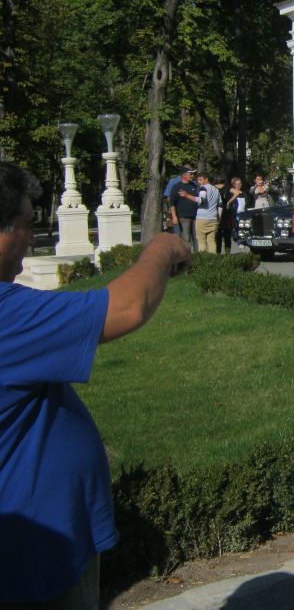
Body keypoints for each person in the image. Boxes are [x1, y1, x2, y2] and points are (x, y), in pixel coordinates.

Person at [0, 161, 191, 608]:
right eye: (28, 225)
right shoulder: (8, 316)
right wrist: (162, 246)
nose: (32, 238)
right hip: (32, 567)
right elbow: (128, 306)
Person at [168, 166, 199, 250]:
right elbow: (172, 203)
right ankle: (187, 258)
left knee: (197, 238)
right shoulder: (176, 187)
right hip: (184, 216)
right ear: (184, 175)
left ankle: (199, 257)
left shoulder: (194, 185)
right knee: (186, 238)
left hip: (196, 216)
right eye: (190, 174)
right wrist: (174, 217)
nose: (192, 175)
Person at [190, 172, 220, 254]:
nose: (198, 182)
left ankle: (202, 260)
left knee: (201, 240)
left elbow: (201, 200)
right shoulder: (216, 189)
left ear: (206, 179)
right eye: (198, 180)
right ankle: (212, 259)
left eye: (200, 179)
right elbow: (220, 204)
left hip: (202, 218)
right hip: (213, 218)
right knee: (211, 240)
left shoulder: (203, 188)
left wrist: (187, 196)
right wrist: (219, 218)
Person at [217, 177, 245, 254]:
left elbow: (237, 192)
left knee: (221, 235)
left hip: (221, 213)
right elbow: (237, 192)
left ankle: (219, 254)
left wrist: (229, 202)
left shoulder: (215, 187)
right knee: (225, 235)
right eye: (237, 184)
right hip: (225, 213)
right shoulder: (227, 188)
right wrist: (229, 202)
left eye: (240, 184)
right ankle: (226, 253)